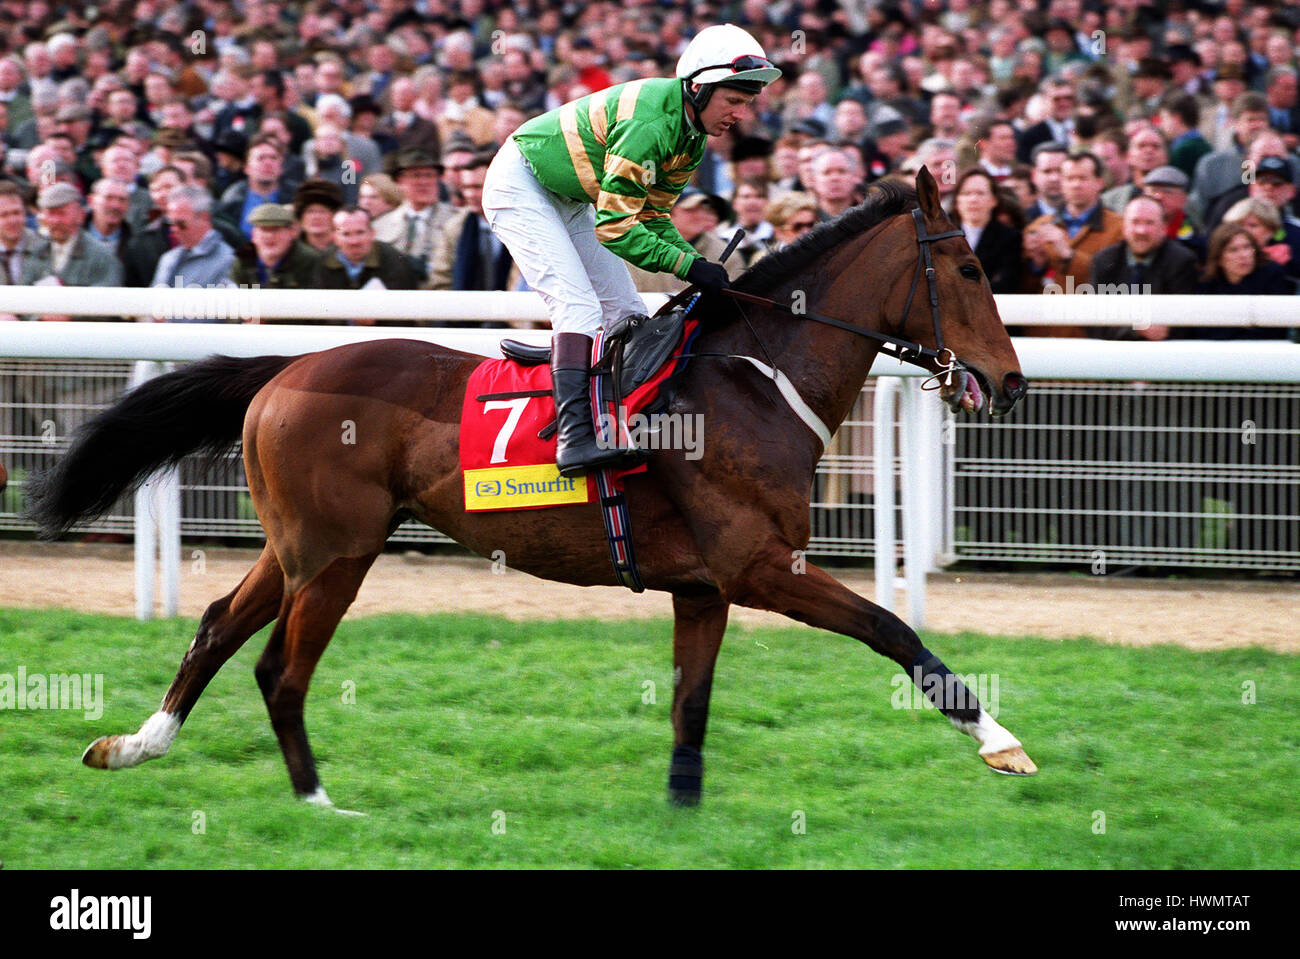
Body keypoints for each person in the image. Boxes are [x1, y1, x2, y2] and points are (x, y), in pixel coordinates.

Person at [481, 24, 781, 477]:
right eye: (733, 100)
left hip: (572, 196)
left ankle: (615, 421)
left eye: (747, 102)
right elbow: (618, 228)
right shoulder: (650, 123)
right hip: (521, 183)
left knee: (625, 312)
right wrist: (688, 264)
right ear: (698, 88)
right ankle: (573, 439)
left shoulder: (692, 136)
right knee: (579, 310)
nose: (740, 114)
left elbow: (654, 216)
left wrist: (695, 264)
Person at [1088, 195, 1199, 340]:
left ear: (1164, 228)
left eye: (1149, 223)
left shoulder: (1181, 262)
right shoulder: (1103, 261)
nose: (1141, 230)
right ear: (1124, 227)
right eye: (1135, 222)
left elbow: (1183, 326)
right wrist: (1137, 329)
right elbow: (1093, 323)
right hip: (1113, 355)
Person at [951, 167, 1023, 294]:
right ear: (957, 200)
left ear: (994, 200)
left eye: (980, 193)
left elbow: (1005, 282)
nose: (973, 199)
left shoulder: (1010, 238)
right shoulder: (941, 236)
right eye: (966, 193)